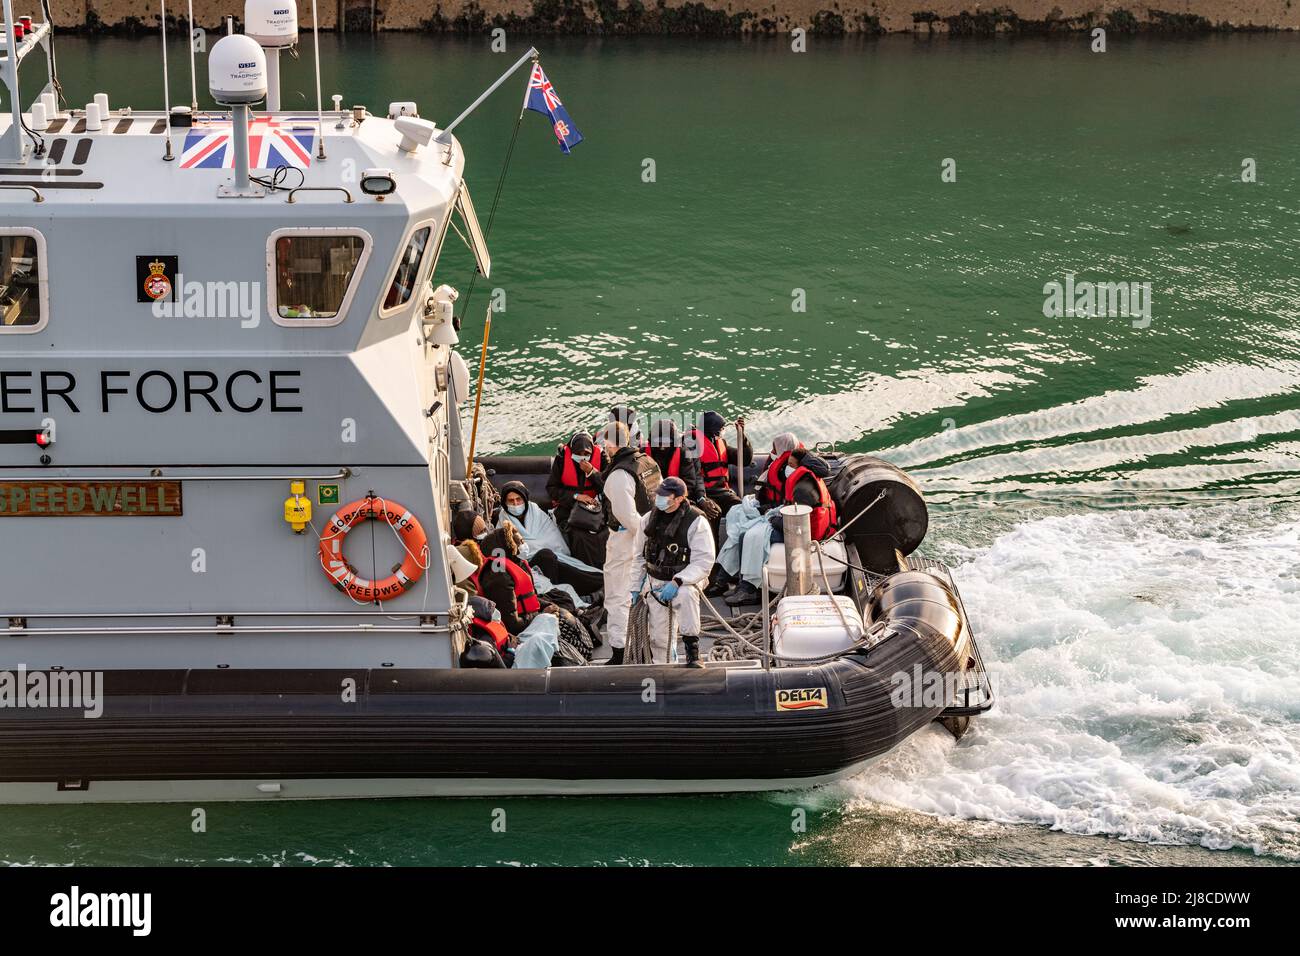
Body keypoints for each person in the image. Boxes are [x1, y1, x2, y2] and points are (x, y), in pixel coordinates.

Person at [722, 445, 834, 606]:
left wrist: (776, 522)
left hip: (803, 534)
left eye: (791, 465)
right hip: (794, 526)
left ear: (801, 466)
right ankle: (743, 583)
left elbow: (798, 524)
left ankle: (750, 589)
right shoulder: (803, 480)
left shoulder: (803, 489)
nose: (787, 468)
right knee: (744, 534)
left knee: (750, 537)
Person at [629, 476, 715, 666]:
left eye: (665, 496)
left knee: (686, 595)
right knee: (659, 638)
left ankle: (693, 651)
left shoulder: (696, 522)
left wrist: (678, 580)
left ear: (679, 498)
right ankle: (664, 667)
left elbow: (704, 561)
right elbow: (639, 557)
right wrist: (635, 587)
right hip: (656, 580)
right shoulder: (648, 520)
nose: (659, 498)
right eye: (659, 494)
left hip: (687, 578)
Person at [596, 421, 662, 665]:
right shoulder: (648, 463)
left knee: (617, 594)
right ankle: (650, 645)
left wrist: (643, 538)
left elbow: (627, 516)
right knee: (648, 592)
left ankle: (620, 651)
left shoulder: (618, 476)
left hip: (627, 541)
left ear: (610, 444)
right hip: (654, 535)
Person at [497, 480, 603, 600]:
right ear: (504, 503)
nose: (516, 504)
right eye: (511, 501)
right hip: (528, 568)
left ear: (525, 499)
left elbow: (553, 538)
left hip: (555, 558)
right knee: (546, 556)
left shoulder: (536, 512)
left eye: (519, 499)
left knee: (589, 577)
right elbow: (503, 556)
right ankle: (554, 597)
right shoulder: (503, 522)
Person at [546, 432, 608, 568]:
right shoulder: (562, 459)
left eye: (586, 453)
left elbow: (608, 487)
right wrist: (576, 497)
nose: (582, 456)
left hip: (595, 508)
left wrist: (592, 472)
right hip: (569, 508)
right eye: (578, 453)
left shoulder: (602, 457)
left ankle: (602, 567)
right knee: (579, 535)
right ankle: (586, 569)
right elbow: (552, 489)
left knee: (603, 532)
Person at [471, 523, 544, 636]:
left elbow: (531, 597)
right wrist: (540, 614)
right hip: (519, 633)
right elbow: (512, 625)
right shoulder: (498, 577)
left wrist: (547, 606)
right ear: (508, 546)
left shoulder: (516, 562)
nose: (523, 545)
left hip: (527, 619)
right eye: (520, 542)